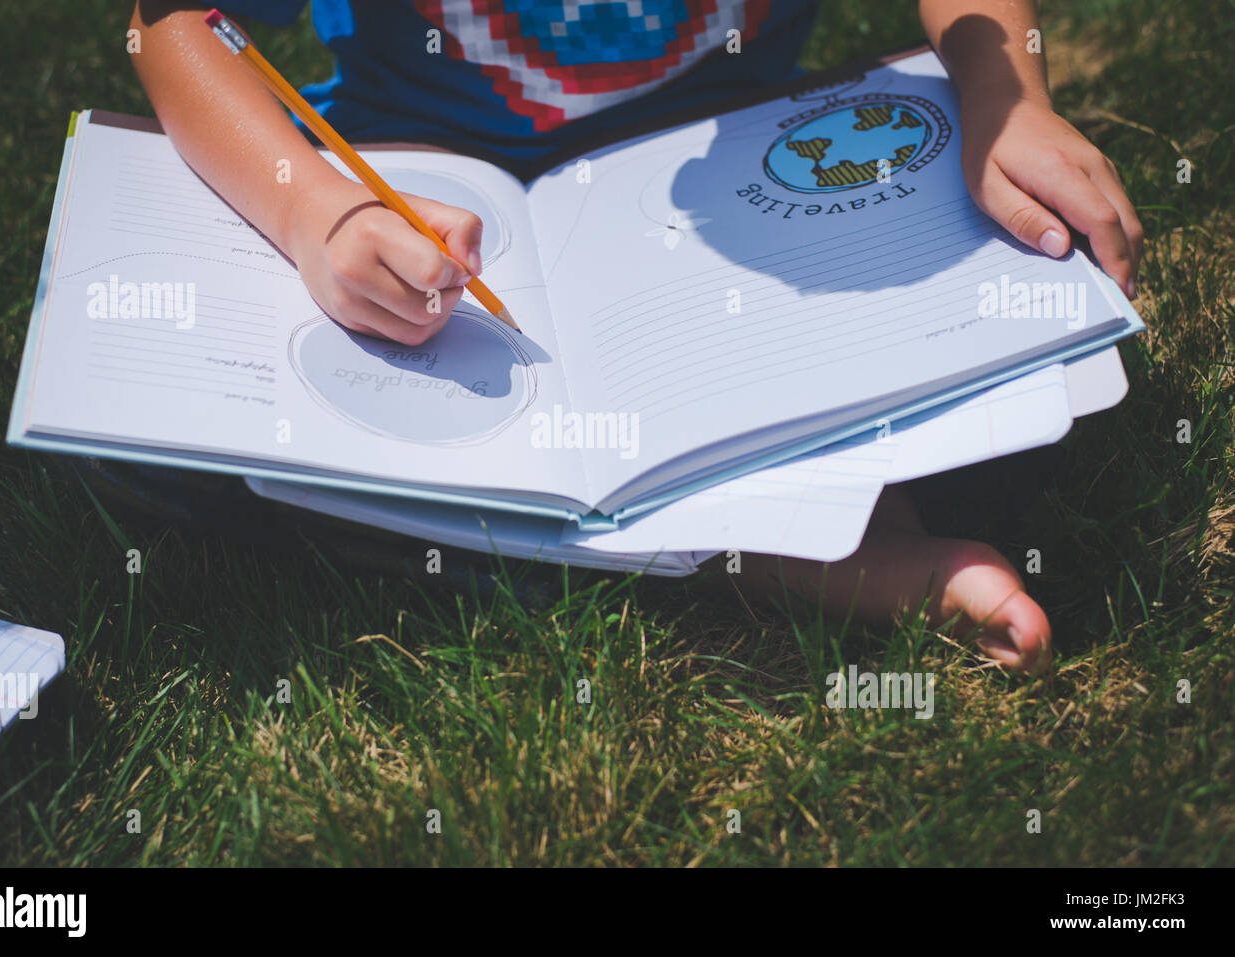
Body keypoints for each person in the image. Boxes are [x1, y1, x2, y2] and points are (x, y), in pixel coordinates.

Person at [128, 0, 1144, 672]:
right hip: (411, 194)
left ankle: (743, 536)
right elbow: (176, 25)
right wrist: (316, 210)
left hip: (748, 159)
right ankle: (792, 546)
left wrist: (1001, 95)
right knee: (194, 446)